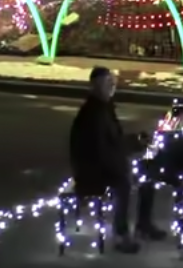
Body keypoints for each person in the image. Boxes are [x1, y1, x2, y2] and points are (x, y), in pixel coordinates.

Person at [68, 67, 168, 253]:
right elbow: (98, 151)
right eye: (107, 83)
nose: (112, 87)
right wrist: (124, 166)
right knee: (124, 183)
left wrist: (138, 141)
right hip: (92, 171)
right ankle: (121, 235)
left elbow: (115, 141)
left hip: (104, 164)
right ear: (94, 86)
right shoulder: (92, 114)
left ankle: (143, 225)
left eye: (113, 83)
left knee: (148, 175)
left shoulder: (105, 108)